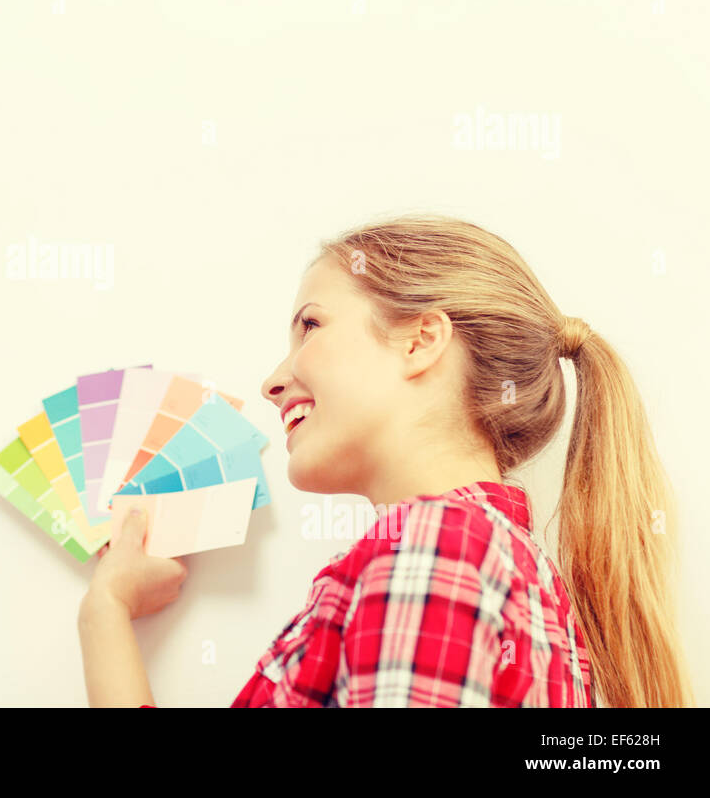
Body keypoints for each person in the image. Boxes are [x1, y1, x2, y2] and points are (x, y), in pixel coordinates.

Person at [78, 215, 693, 707]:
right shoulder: (481, 558)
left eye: (310, 326)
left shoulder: (439, 547)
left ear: (422, 340)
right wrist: (106, 611)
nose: (272, 381)